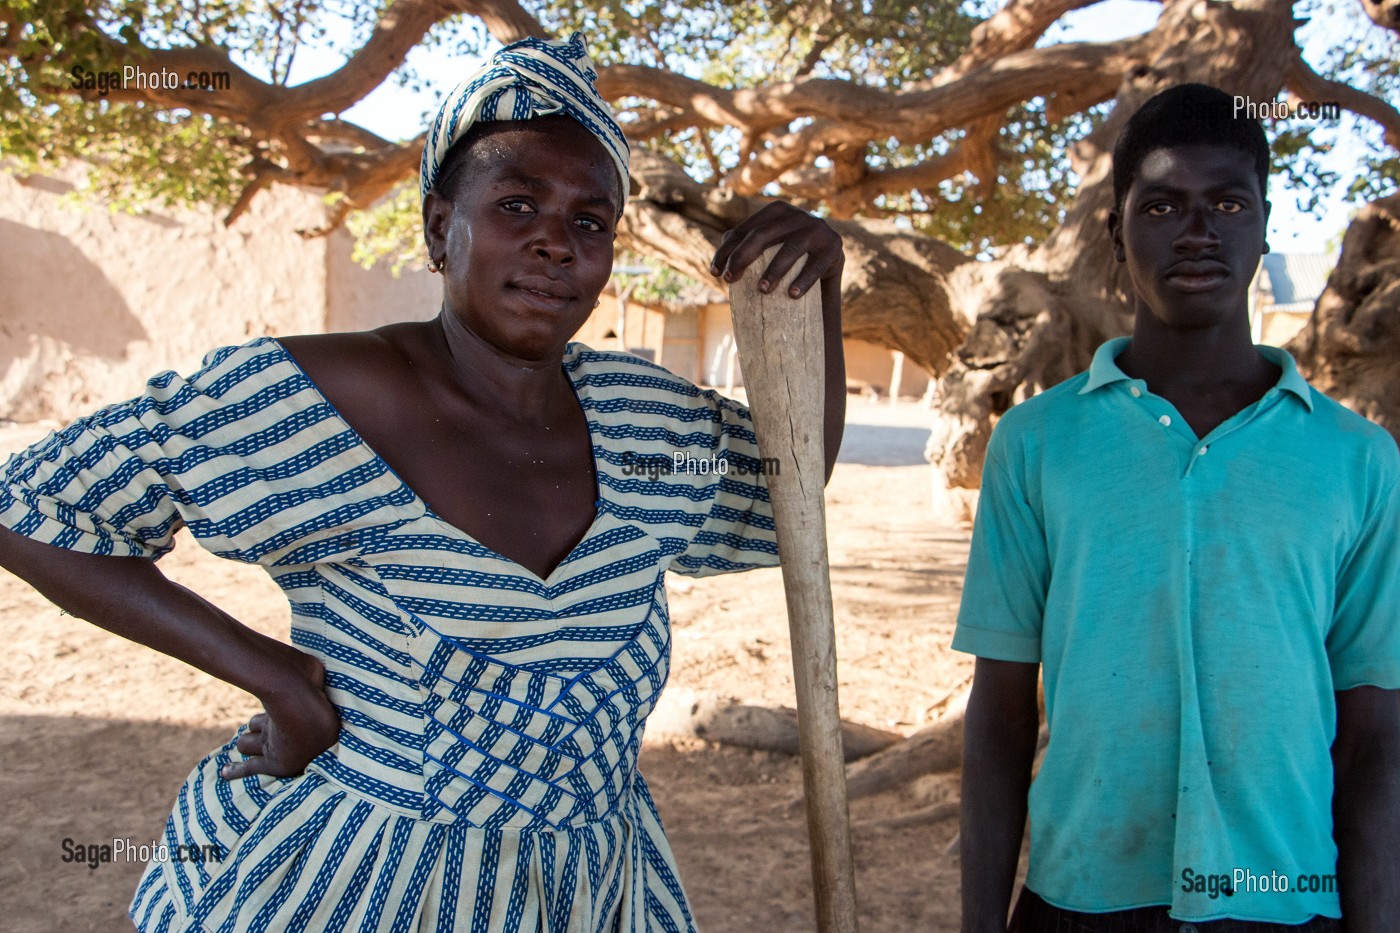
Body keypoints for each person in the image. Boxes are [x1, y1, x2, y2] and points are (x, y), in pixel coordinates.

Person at [0, 33, 846, 931]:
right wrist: (279, 679)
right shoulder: (316, 401)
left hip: (589, 888)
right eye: (518, 203)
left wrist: (817, 296)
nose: (556, 243)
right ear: (442, 226)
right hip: (352, 884)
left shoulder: (644, 425)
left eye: (590, 221)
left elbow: (782, 494)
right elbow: (33, 509)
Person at [954, 83, 1399, 933]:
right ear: (1116, 236)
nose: (1198, 230)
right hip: (1082, 898)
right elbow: (1002, 709)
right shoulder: (1036, 443)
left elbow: (1377, 731)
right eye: (1161, 205)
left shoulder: (1358, 459)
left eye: (1228, 202)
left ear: (1265, 227)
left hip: (1285, 903)